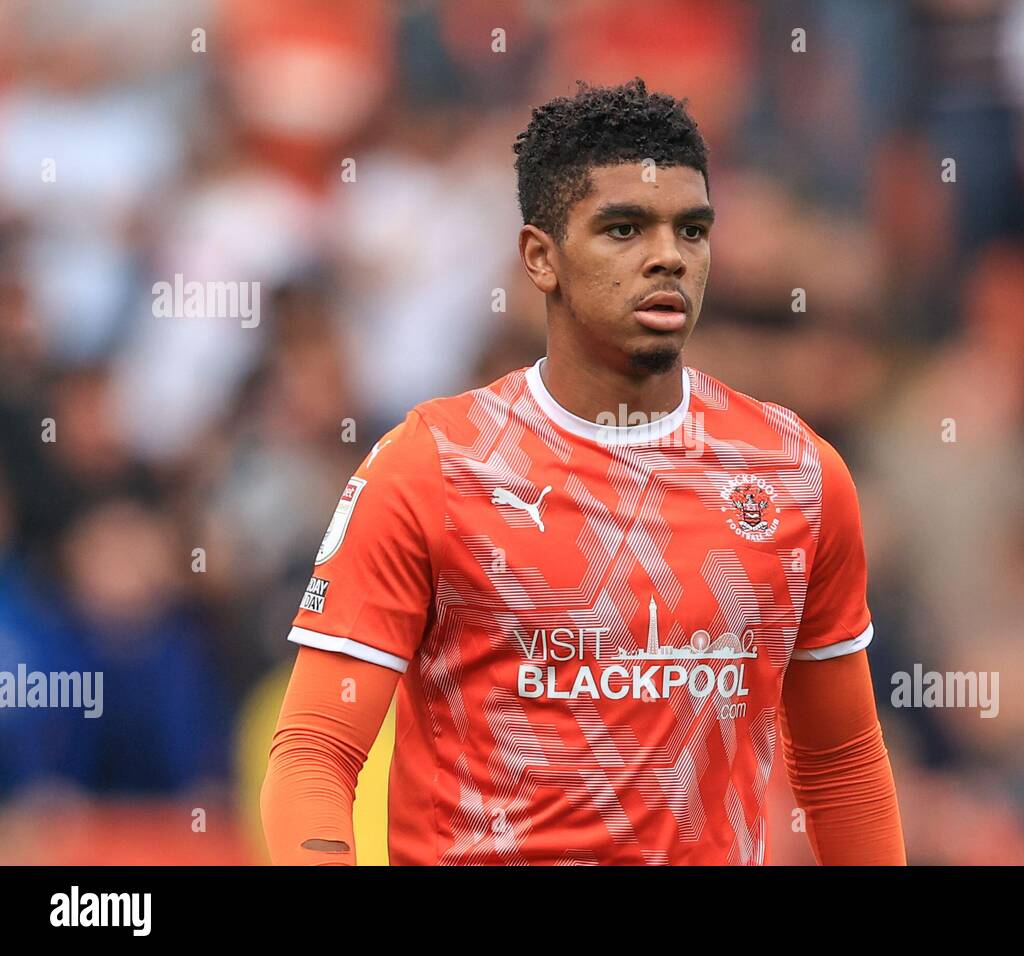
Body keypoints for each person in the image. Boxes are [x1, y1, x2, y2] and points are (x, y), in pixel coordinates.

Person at [261, 78, 905, 865]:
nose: (668, 256)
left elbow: (840, 768)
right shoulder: (432, 468)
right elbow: (315, 754)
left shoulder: (796, 476)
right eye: (625, 229)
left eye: (692, 231)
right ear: (541, 258)